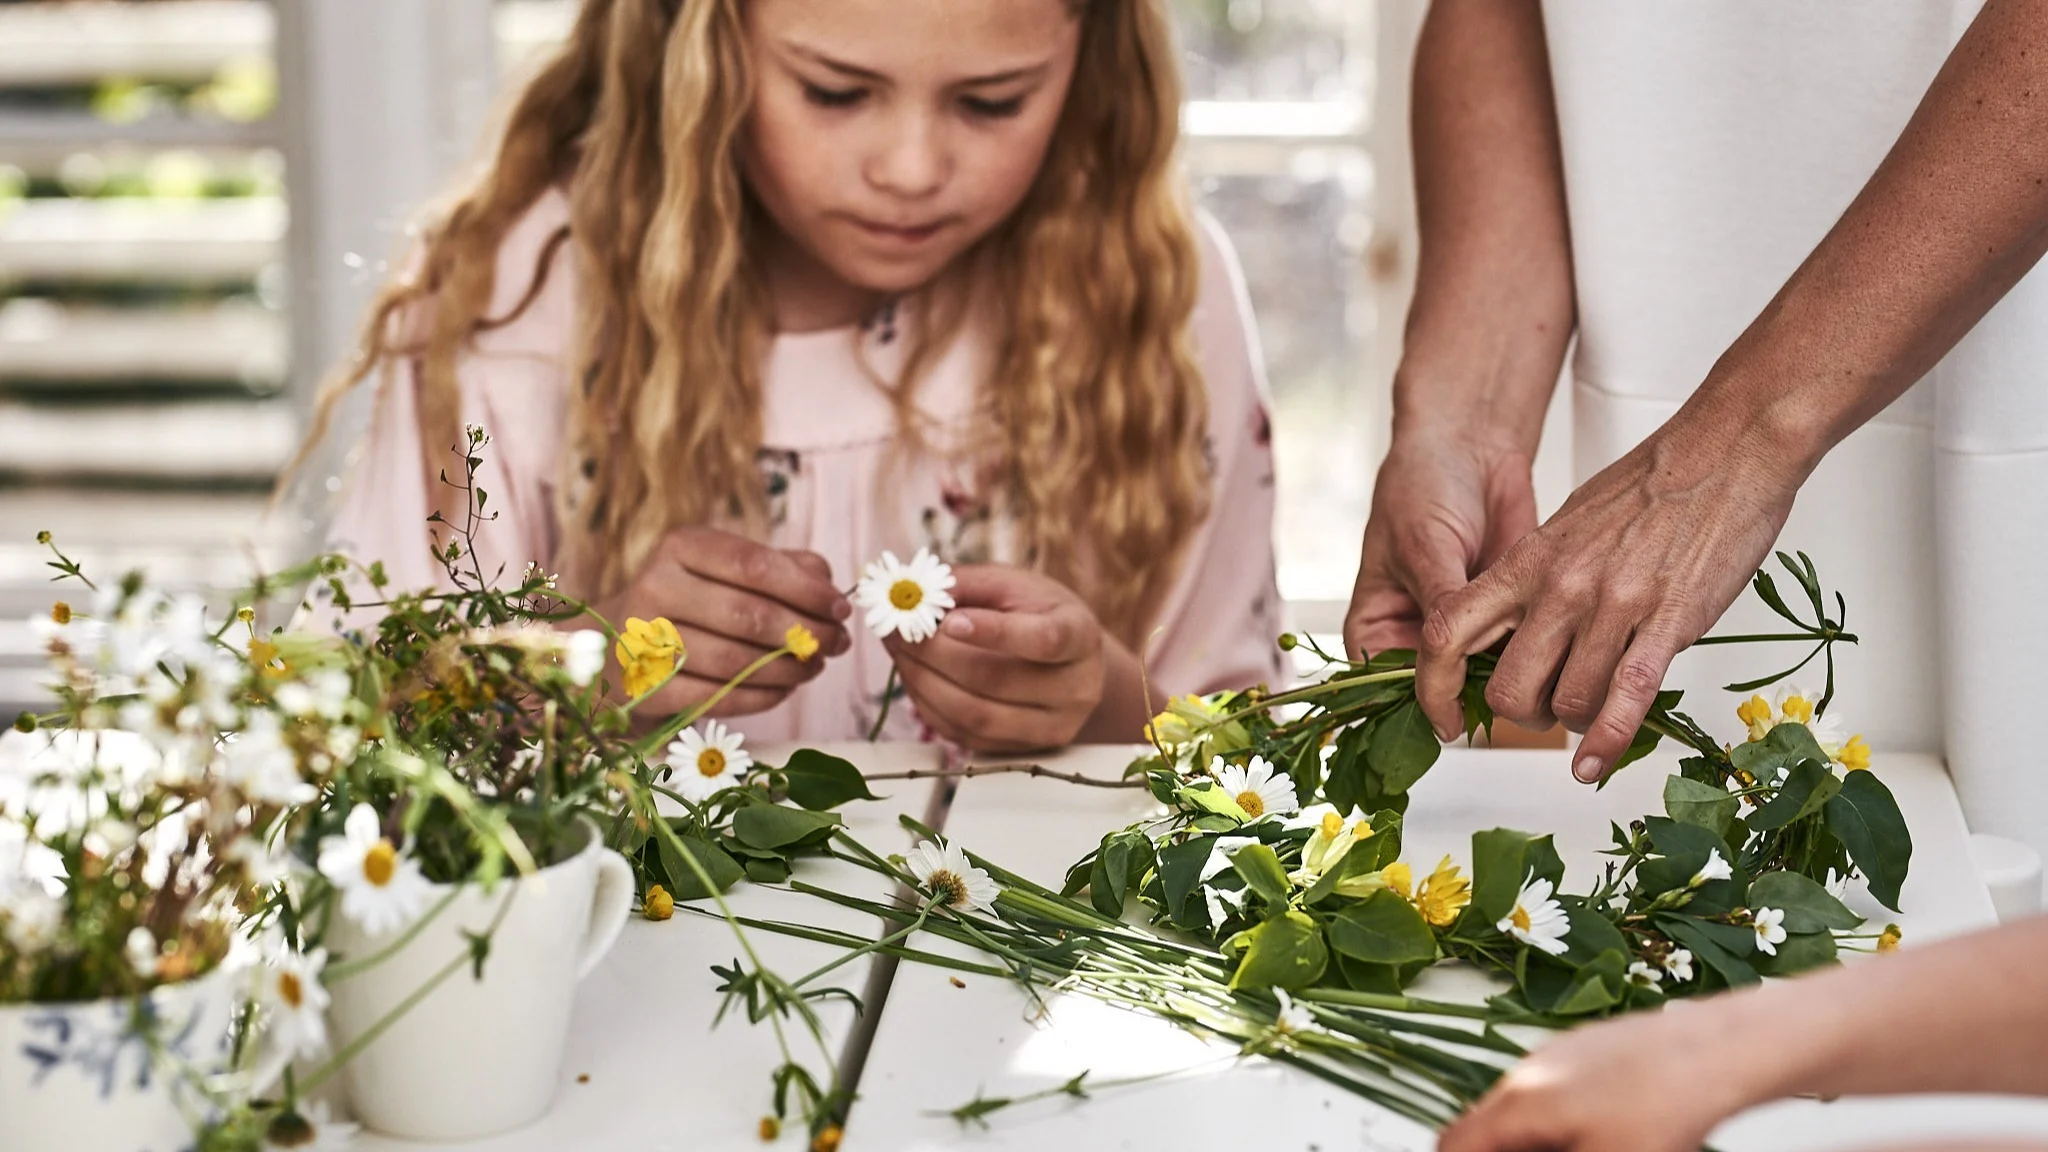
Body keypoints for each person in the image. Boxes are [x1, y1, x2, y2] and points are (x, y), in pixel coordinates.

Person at [1349, 0, 2048, 1143]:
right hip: (1663, 274)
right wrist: (1462, 407)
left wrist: (1736, 439)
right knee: (1684, 965)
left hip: (2001, 287)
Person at [303, 0, 1285, 750]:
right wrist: (591, 679)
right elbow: (357, 743)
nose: (908, 168)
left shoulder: (1150, 295)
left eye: (991, 102)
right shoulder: (515, 306)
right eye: (835, 92)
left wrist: (1105, 703)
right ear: (700, 37)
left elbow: (1246, 762)